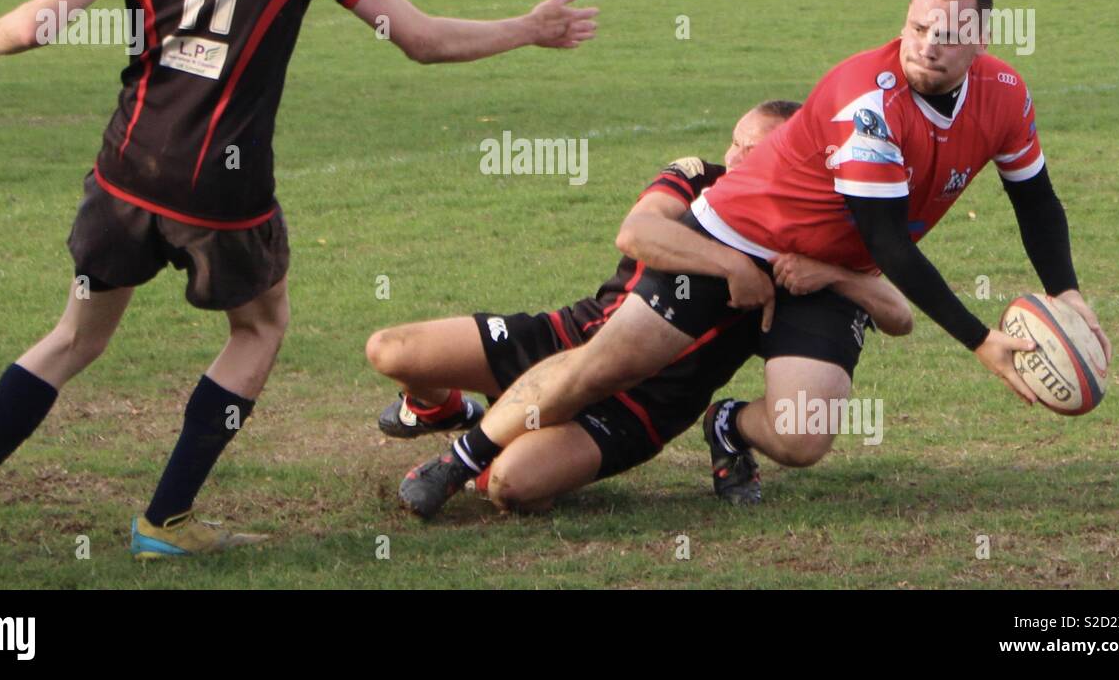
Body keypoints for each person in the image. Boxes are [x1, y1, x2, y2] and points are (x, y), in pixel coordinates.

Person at [0, 0, 598, 560]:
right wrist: (528, 27)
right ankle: (165, 522)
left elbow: (33, 27)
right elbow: (421, 39)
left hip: (126, 170)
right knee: (260, 327)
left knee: (71, 339)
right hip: (219, 190)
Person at [399, 0, 1112, 518]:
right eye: (916, 26)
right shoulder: (868, 98)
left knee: (804, 437)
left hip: (831, 265)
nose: (926, 44)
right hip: (732, 237)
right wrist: (983, 341)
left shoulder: (1006, 95)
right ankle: (460, 459)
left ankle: (730, 427)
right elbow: (891, 244)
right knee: (600, 368)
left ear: (981, 40)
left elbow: (1036, 201)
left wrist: (1068, 292)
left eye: (948, 34)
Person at [378, 101, 911, 515]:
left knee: (511, 487)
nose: (738, 161)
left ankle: (721, 424)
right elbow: (637, 232)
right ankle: (447, 411)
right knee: (390, 351)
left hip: (644, 406)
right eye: (736, 144)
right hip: (573, 335)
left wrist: (833, 276)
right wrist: (731, 265)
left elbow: (898, 314)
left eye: (757, 152)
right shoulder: (700, 177)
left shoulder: (810, 235)